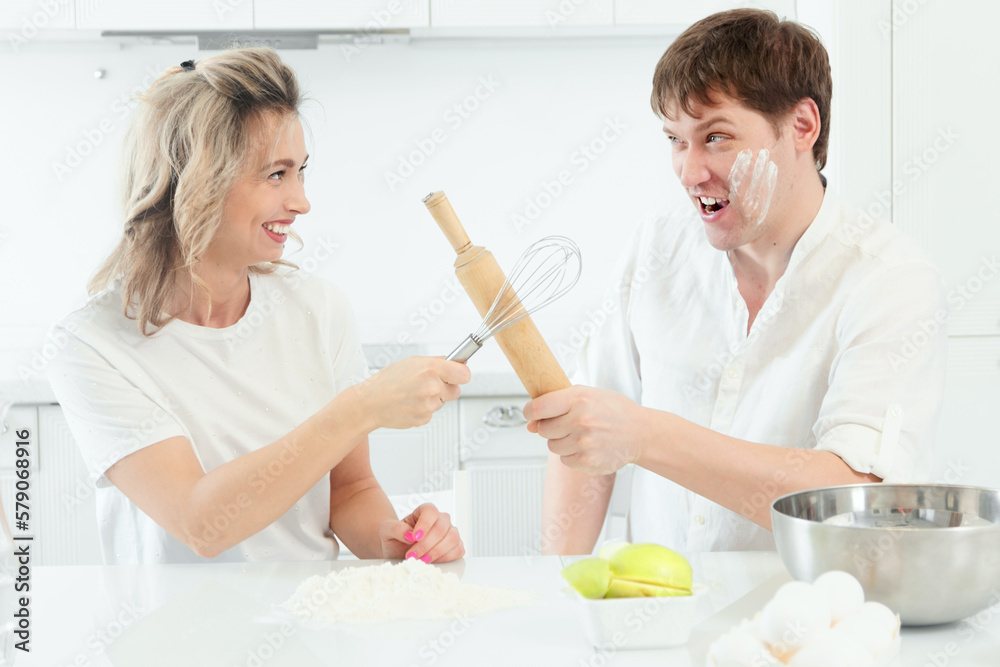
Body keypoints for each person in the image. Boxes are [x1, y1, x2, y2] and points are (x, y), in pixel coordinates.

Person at [525, 9, 947, 553]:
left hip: (808, 626)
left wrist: (645, 435)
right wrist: (561, 582)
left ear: (802, 126)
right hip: (659, 616)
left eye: (716, 137)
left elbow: (855, 504)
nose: (688, 171)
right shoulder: (660, 246)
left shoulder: (889, 281)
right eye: (676, 140)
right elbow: (584, 437)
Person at [46, 48, 469, 565]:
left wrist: (393, 540)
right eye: (276, 174)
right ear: (199, 180)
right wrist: (362, 406)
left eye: (301, 172)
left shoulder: (318, 310)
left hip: (310, 632)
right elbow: (201, 524)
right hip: (169, 640)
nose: (301, 201)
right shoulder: (93, 344)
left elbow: (349, 490)